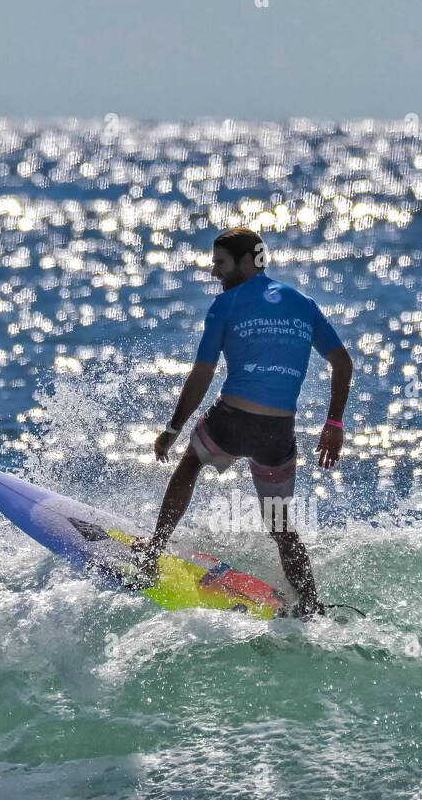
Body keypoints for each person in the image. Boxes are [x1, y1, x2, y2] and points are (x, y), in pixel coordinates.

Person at [131, 227, 353, 617]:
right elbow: (342, 362)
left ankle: (153, 549)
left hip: (231, 423)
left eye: (220, 262)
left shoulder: (226, 305)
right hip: (277, 435)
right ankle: (312, 604)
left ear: (248, 260)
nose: (214, 272)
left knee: (190, 463)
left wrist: (172, 429)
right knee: (282, 527)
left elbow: (201, 375)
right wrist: (333, 424)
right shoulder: (305, 303)